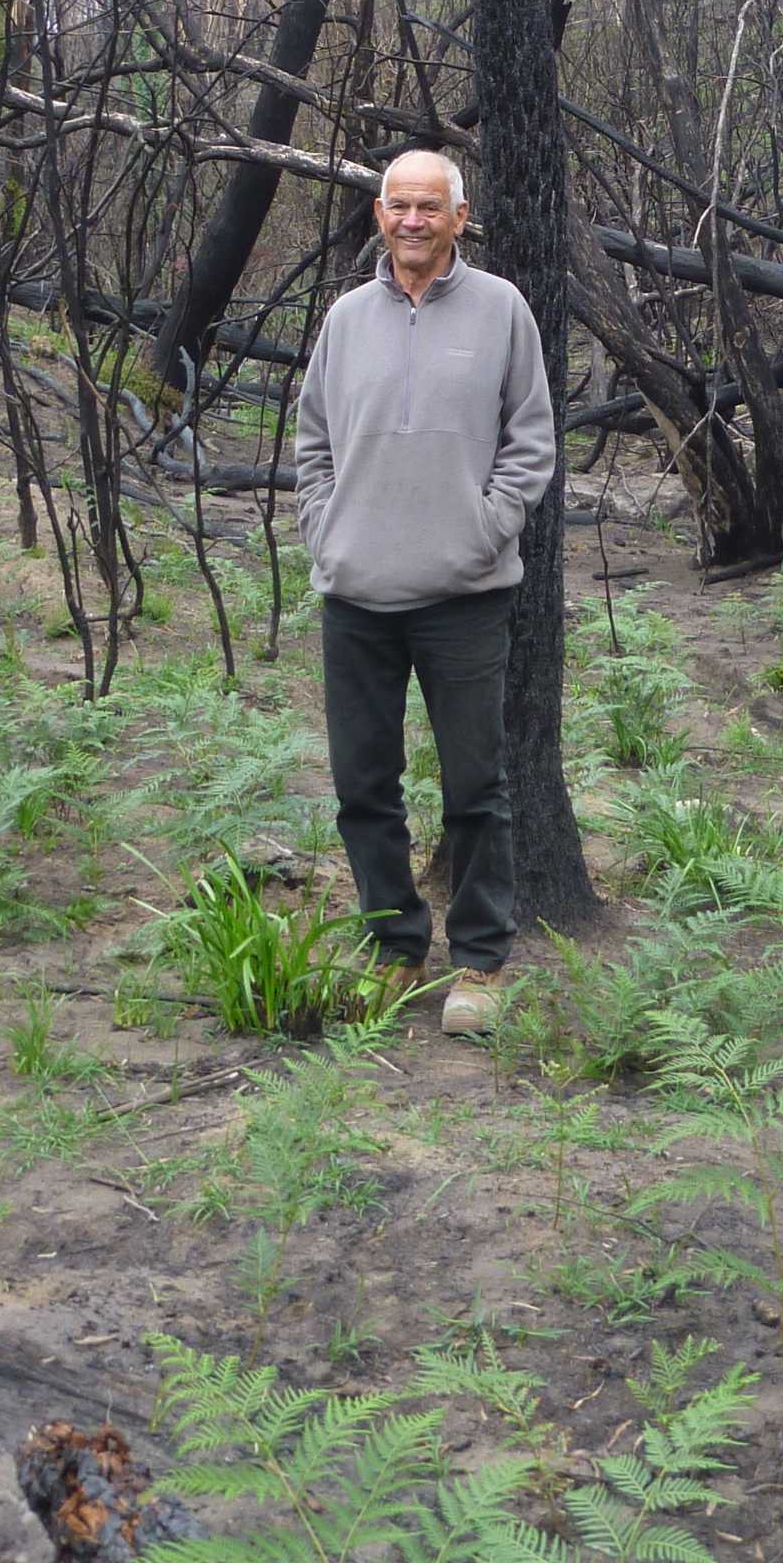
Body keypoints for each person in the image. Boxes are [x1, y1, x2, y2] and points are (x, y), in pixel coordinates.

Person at [293, 147, 555, 1035]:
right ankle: (395, 946)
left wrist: (484, 531)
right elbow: (312, 444)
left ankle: (480, 961)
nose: (412, 220)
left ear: (458, 215)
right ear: (379, 216)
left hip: (464, 598)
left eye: (428, 207)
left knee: (476, 787)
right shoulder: (346, 319)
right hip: (357, 597)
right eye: (397, 206)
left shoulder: (502, 311)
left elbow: (530, 441)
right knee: (364, 786)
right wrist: (328, 533)